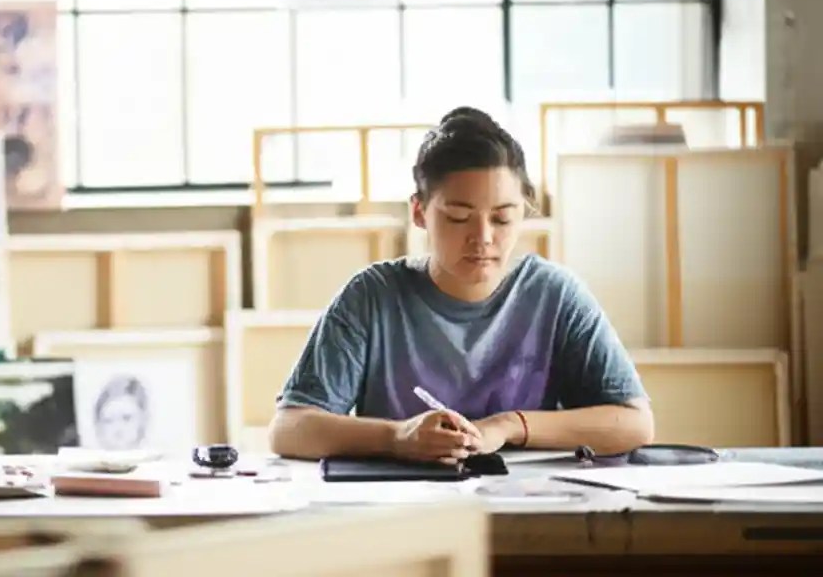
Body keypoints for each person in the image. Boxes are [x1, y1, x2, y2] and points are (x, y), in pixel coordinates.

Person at [268, 107, 654, 464]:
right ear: (419, 211)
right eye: (457, 218)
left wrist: (507, 426)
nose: (482, 237)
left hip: (523, 508)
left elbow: (636, 424)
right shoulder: (372, 296)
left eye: (502, 219)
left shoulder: (555, 296)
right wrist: (398, 436)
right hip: (398, 516)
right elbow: (289, 429)